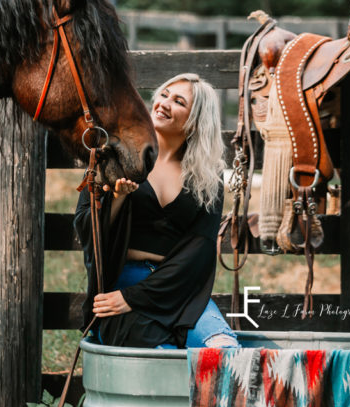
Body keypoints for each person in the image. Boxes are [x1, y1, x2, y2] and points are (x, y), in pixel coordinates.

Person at [74, 73, 238, 349]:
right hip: (122, 280)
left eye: (178, 101)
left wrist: (136, 298)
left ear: (196, 120)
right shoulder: (115, 155)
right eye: (164, 94)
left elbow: (200, 249)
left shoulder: (208, 176)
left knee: (224, 348)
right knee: (163, 356)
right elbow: (85, 227)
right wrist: (117, 200)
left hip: (177, 287)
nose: (164, 103)